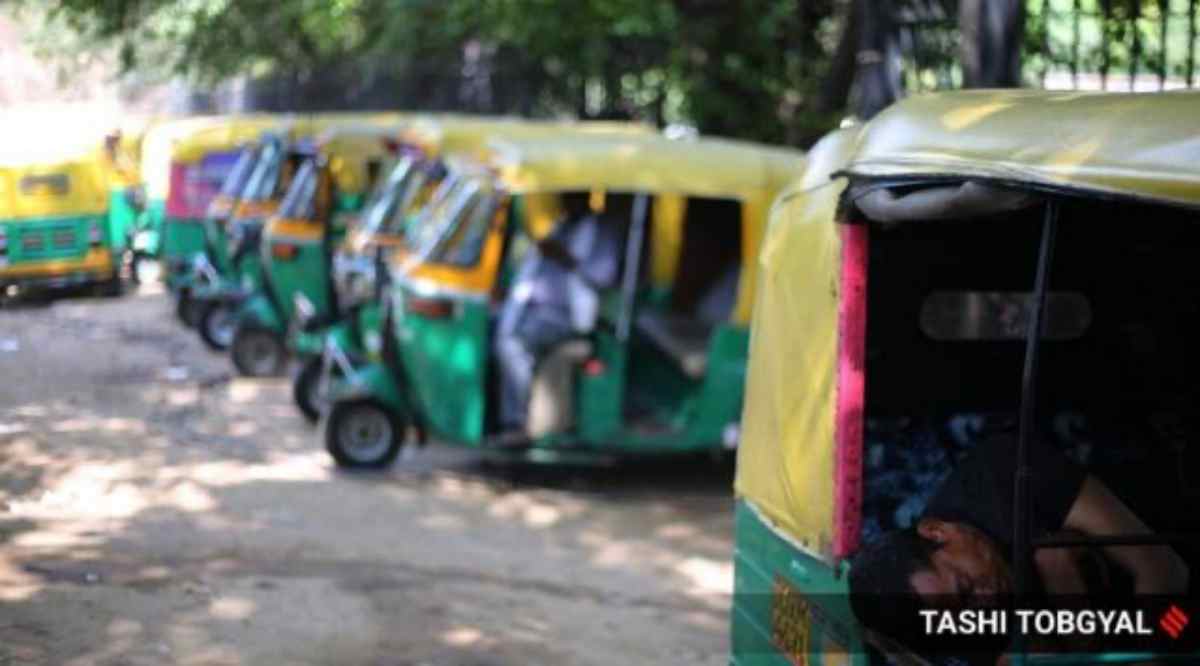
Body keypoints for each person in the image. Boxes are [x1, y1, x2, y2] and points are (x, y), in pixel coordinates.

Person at [848, 432, 1190, 661]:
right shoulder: (950, 625)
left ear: (938, 532)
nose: (981, 609)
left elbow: (1166, 570)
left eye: (966, 589)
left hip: (1175, 606)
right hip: (1089, 641)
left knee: (1058, 560)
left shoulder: (1005, 475)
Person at [494, 192, 622, 434]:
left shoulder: (601, 230)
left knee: (513, 344)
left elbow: (604, 276)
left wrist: (564, 258)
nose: (565, 201)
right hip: (533, 308)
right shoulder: (563, 225)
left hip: (565, 316)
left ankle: (517, 423)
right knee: (492, 325)